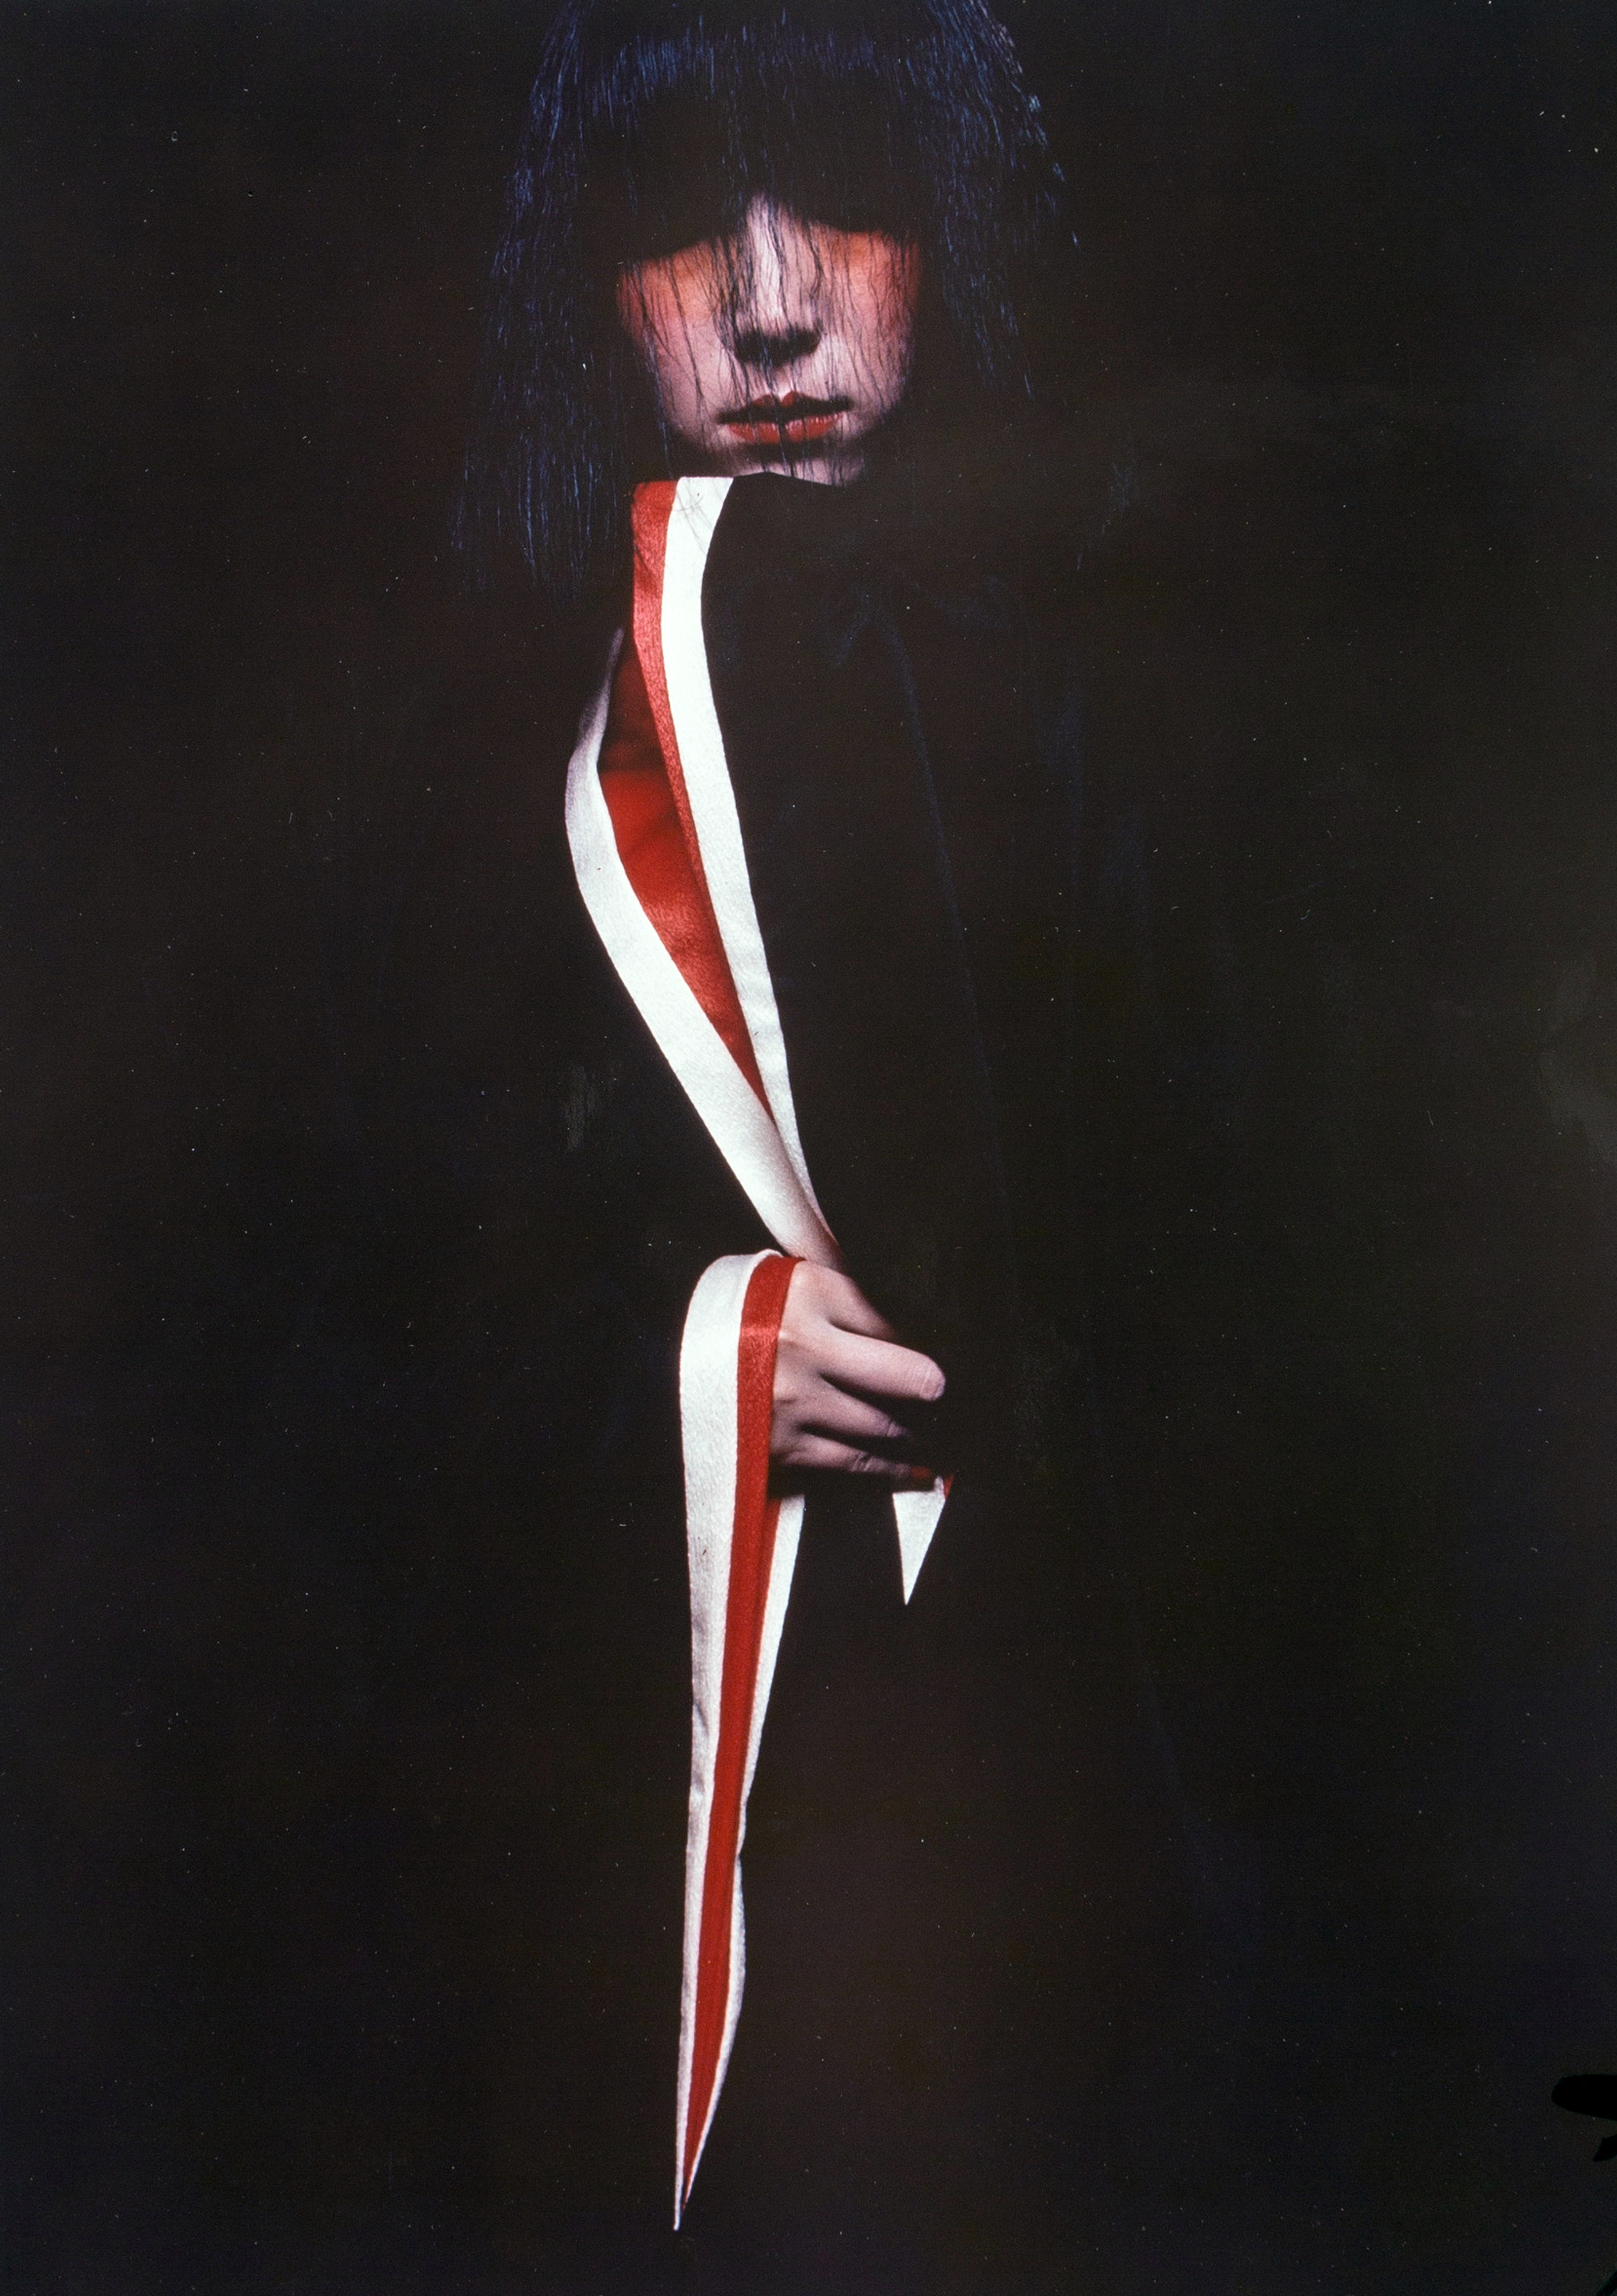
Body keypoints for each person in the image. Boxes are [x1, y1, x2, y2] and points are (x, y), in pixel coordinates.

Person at [372, 2, 1237, 2284]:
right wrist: (690, 1363)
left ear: (964, 231)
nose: (769, 307)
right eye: (682, 223)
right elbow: (309, 1387)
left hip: (1091, 1853)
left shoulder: (1161, 711)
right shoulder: (472, 769)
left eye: (845, 201)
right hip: (636, 1869)